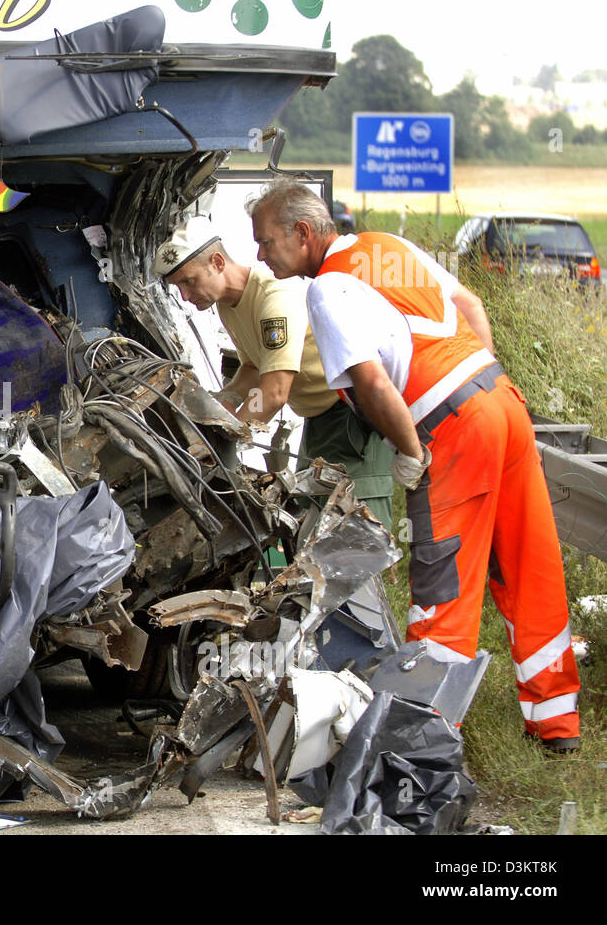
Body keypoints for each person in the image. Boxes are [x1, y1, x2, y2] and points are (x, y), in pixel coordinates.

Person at [248, 180, 580, 750]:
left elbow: (372, 383)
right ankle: (556, 725)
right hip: (501, 399)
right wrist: (480, 384)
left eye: (265, 241)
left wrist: (412, 452)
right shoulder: (387, 246)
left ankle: (420, 741)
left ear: (302, 234)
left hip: (453, 424)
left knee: (443, 584)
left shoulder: (328, 289)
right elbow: (469, 306)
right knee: (528, 563)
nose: (260, 254)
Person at [155, 216, 394, 526]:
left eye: (189, 281)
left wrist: (228, 435)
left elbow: (274, 393)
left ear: (216, 262)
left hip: (352, 417)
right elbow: (254, 367)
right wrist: (224, 400)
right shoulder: (229, 304)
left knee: (360, 532)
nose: (186, 296)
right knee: (319, 525)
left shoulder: (273, 299)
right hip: (319, 420)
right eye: (179, 287)